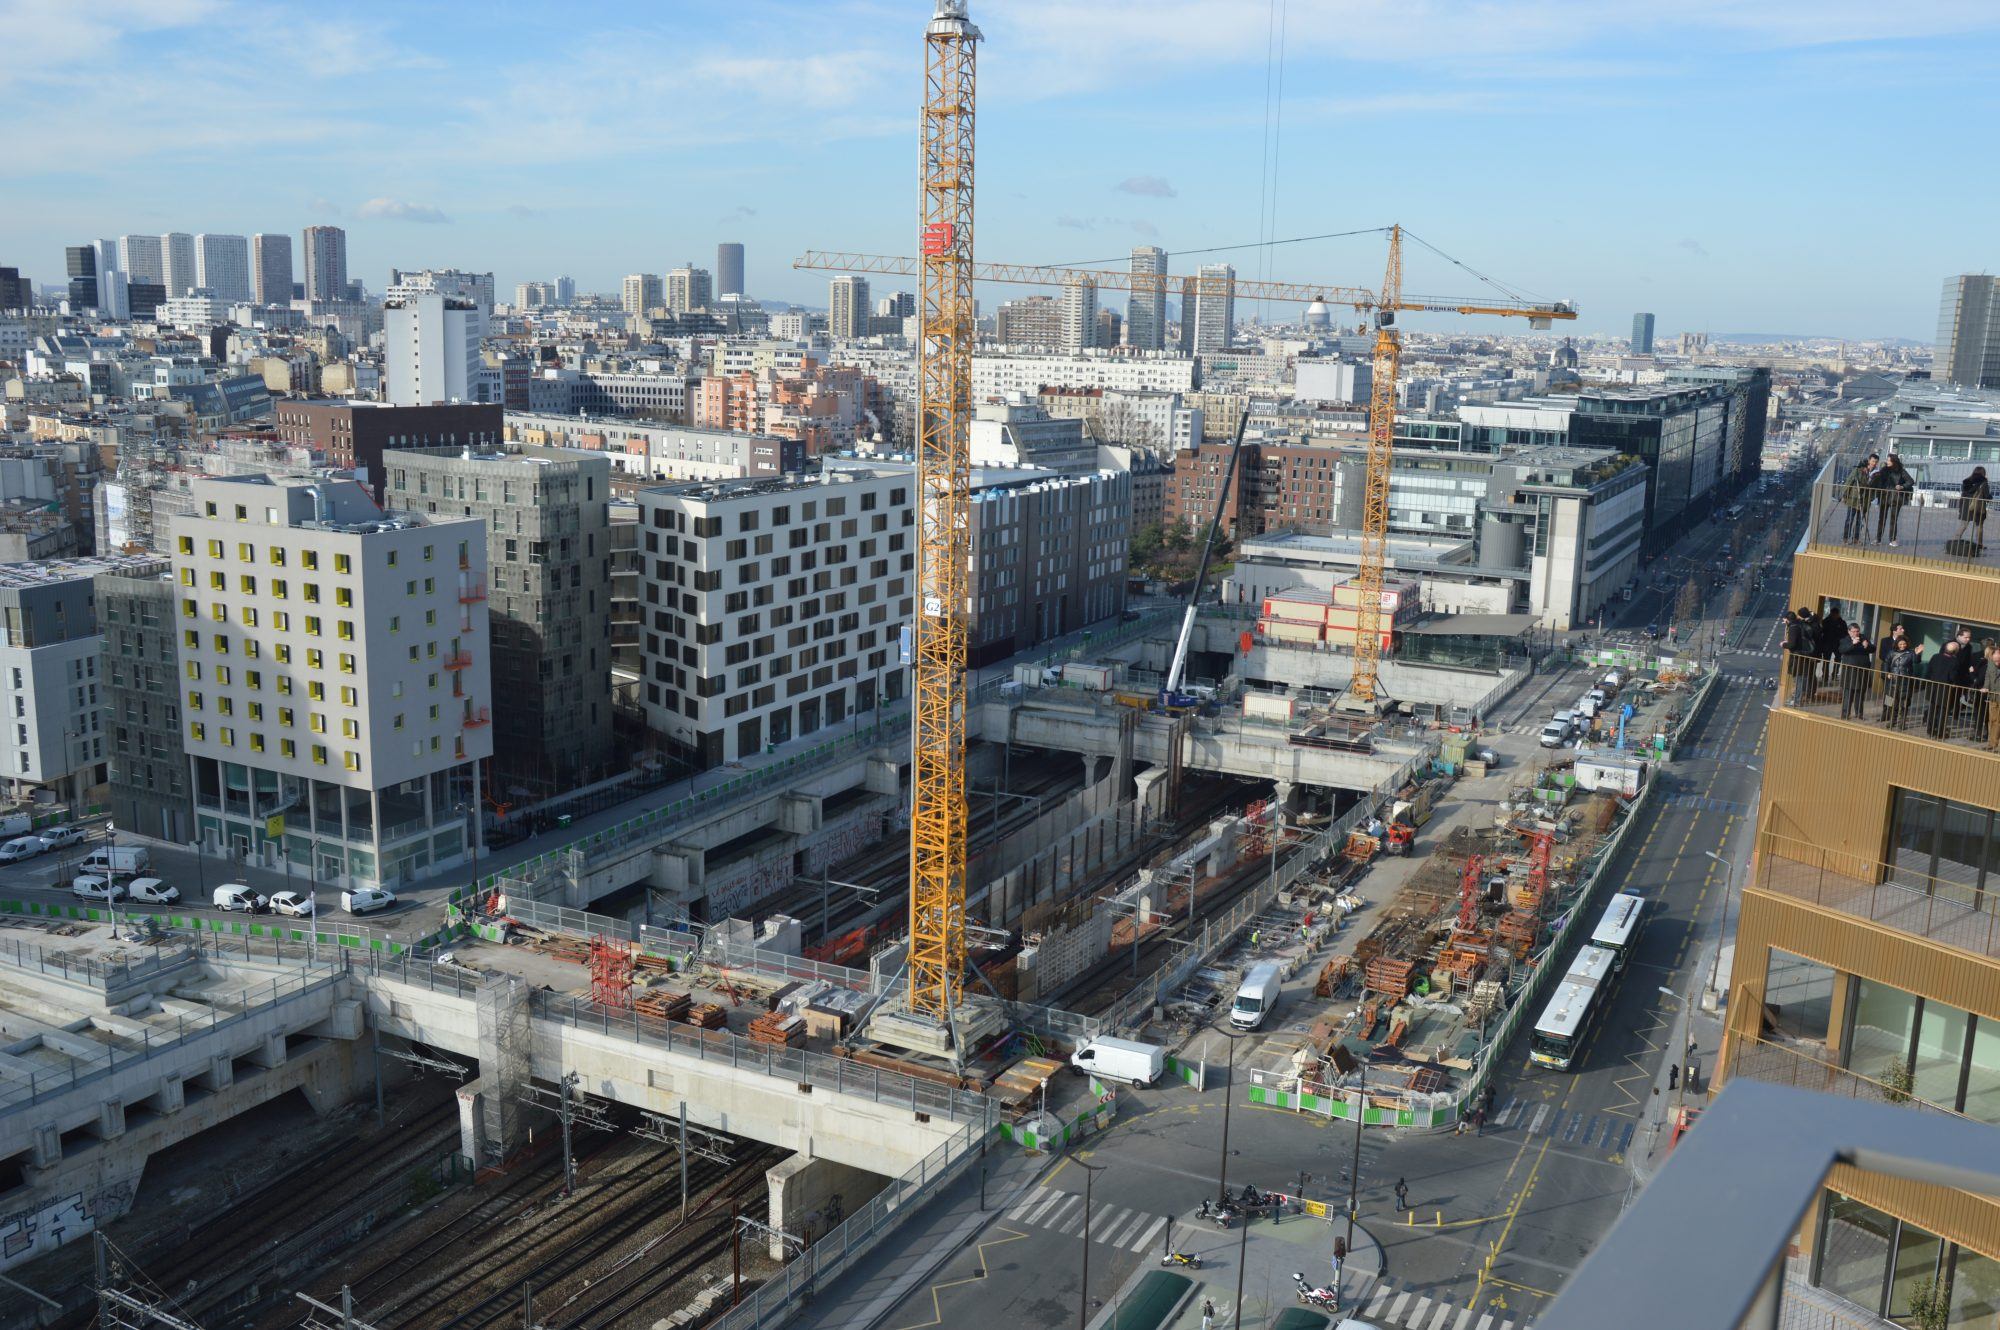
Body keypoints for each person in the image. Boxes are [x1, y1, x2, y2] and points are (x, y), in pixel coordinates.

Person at [1834, 623, 1873, 720]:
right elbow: (1842, 650)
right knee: (1848, 694)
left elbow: (1873, 648)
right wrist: (1853, 644)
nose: (1856, 633)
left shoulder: (1863, 638)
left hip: (1862, 670)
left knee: (1860, 694)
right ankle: (1845, 714)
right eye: (1854, 631)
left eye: (1857, 631)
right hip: (1850, 671)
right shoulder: (1845, 640)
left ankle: (1859, 714)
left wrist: (1867, 646)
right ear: (1849, 632)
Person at [1872, 455, 1914, 546]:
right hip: (1884, 497)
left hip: (1896, 498)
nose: (1887, 461)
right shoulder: (1884, 470)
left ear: (1893, 461)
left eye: (1888, 460)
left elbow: (1911, 481)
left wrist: (1902, 486)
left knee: (1893, 519)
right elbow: (1878, 481)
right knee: (1881, 519)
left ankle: (1892, 539)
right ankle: (1878, 539)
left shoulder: (1901, 471)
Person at [1925, 640, 1963, 739]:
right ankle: (1940, 732)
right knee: (1942, 712)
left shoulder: (1935, 656)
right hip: (1945, 689)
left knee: (1932, 709)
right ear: (1955, 651)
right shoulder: (1954, 661)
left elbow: (1928, 671)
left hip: (1933, 687)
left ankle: (1930, 730)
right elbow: (1952, 676)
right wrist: (1955, 682)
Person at [1839, 454, 1878, 542]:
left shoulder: (1876, 474)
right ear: (1869, 461)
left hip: (1865, 500)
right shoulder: (1858, 470)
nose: (1874, 463)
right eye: (1873, 461)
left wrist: (1871, 498)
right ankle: (1846, 537)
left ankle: (1856, 538)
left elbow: (1876, 487)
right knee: (1849, 519)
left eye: (1876, 462)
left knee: (1859, 521)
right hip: (1854, 498)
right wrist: (1844, 495)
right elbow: (1849, 482)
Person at [1886, 635, 1919, 729]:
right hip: (1893, 680)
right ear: (1897, 644)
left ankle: (1902, 723)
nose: (1902, 646)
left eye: (1904, 644)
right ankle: (1892, 721)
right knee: (1890, 702)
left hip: (1905, 680)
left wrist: (1917, 654)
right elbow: (1886, 663)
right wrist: (1887, 673)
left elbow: (1916, 661)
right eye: (1900, 644)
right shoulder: (1891, 652)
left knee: (1904, 703)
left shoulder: (1910, 653)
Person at [1957, 466, 1991, 552]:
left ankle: (1955, 541)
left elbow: (1963, 494)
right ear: (1983, 473)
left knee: (1963, 525)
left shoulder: (1966, 481)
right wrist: (1990, 497)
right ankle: (1979, 545)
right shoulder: (1983, 483)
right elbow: (1987, 496)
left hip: (1966, 506)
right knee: (1979, 526)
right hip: (1978, 506)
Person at [1877, 623, 1905, 719]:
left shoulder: (1904, 642)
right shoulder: (1885, 641)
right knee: (1888, 694)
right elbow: (1882, 655)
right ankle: (1886, 714)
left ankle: (1895, 715)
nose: (1903, 630)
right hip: (1888, 671)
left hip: (1899, 672)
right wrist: (1894, 660)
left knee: (1897, 695)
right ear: (1894, 631)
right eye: (1901, 629)